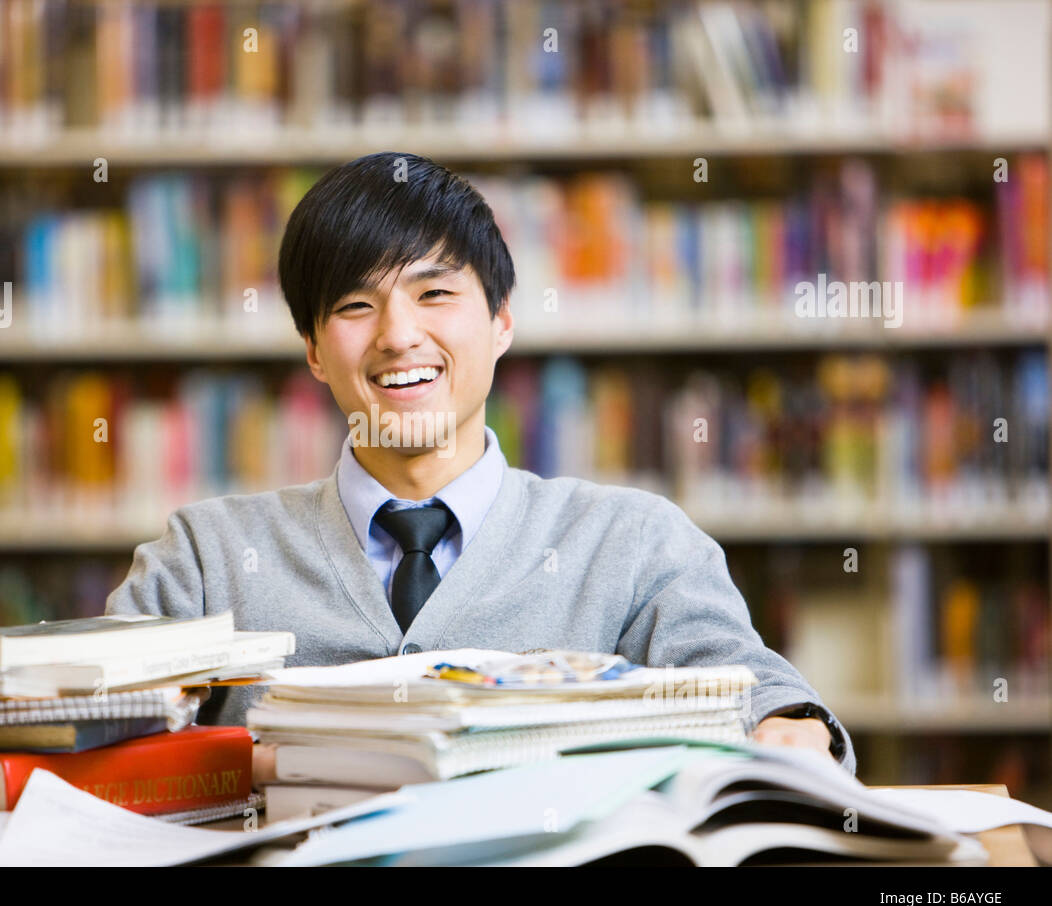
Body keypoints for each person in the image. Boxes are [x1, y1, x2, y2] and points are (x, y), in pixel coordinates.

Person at [106, 151, 854, 773]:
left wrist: (786, 722)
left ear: (501, 321)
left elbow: (744, 680)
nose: (399, 336)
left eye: (435, 293)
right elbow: (98, 732)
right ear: (312, 349)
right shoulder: (206, 559)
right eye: (356, 307)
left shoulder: (632, 541)